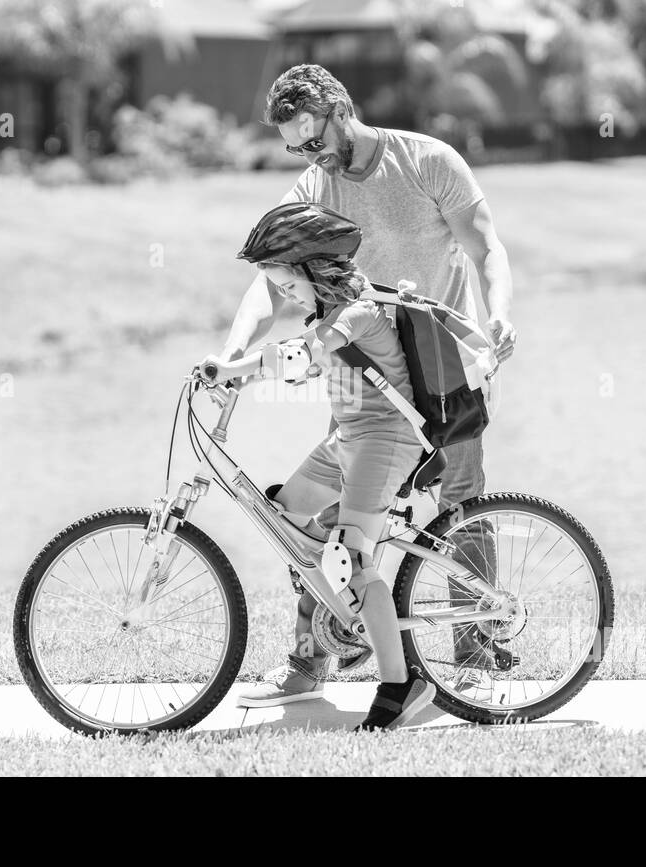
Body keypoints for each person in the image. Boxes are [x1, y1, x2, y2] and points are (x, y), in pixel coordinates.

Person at [220, 65, 517, 706]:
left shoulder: (426, 160)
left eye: (311, 137)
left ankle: (477, 658)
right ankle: (315, 657)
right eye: (295, 146)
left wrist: (498, 315)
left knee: (458, 510)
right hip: (365, 381)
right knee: (314, 520)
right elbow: (272, 281)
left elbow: (485, 245)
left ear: (340, 108)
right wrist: (234, 351)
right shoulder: (314, 184)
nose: (308, 154)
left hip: (441, 377)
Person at [200, 201, 435, 731]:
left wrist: (232, 364)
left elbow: (300, 356)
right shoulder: (328, 316)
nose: (285, 296)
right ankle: (341, 625)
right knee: (284, 516)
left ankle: (402, 685)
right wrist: (241, 376)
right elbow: (308, 364)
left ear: (313, 270)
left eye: (287, 286)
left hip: (384, 440)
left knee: (351, 558)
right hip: (349, 438)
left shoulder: (355, 312)